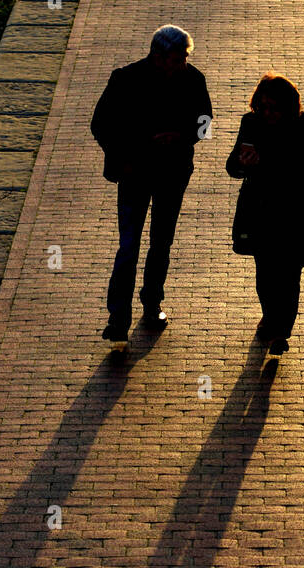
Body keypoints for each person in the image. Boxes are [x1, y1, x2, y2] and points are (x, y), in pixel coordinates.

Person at [91, 25, 213, 346]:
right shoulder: (126, 79)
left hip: (173, 173)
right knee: (129, 245)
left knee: (161, 241)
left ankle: (151, 302)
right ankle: (118, 316)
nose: (183, 63)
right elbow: (100, 123)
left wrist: (181, 136)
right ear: (158, 56)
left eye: (185, 57)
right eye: (178, 58)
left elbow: (205, 124)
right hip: (135, 172)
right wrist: (122, 159)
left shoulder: (193, 80)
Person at [226, 74, 304, 355]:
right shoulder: (250, 124)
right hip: (260, 212)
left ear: (288, 106)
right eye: (262, 107)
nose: (267, 113)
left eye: (273, 107)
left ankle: (280, 332)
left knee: (288, 275)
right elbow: (232, 166)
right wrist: (242, 162)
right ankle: (271, 318)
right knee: (264, 273)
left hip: (297, 214)